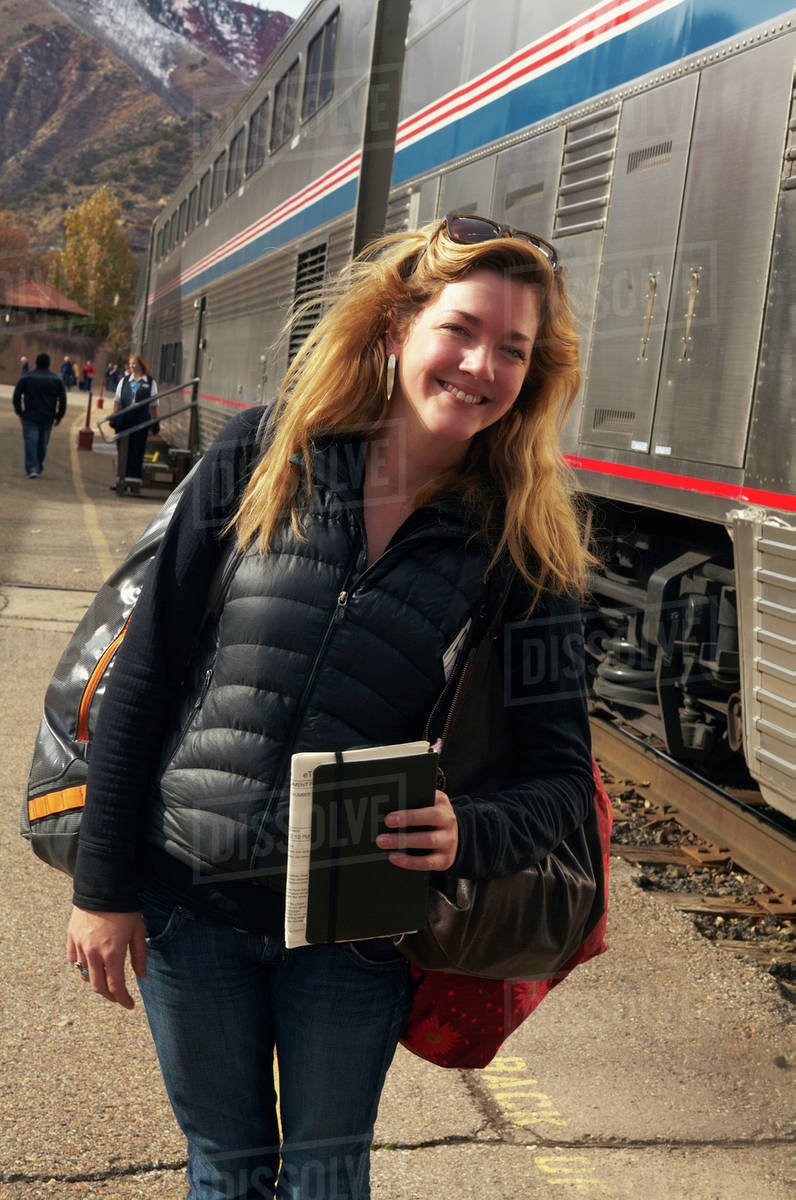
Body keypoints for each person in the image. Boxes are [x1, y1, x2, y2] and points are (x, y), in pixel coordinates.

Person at [66, 215, 595, 1199]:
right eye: (462, 329)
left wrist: (465, 831)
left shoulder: (523, 550)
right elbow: (146, 675)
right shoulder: (263, 450)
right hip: (191, 899)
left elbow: (563, 783)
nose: (482, 366)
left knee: (323, 1177)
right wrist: (105, 886)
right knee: (224, 1170)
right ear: (397, 326)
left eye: (512, 350)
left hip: (352, 931)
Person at [13, 351, 67, 478]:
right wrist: (59, 416)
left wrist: (19, 412)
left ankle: (32, 468)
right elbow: (62, 399)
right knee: (43, 443)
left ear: (36, 363)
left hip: (30, 416)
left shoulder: (26, 377)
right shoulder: (56, 380)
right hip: (48, 417)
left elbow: (16, 396)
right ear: (49, 364)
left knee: (31, 442)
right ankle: (38, 465)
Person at [110, 354, 159, 493]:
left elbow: (154, 405)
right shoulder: (124, 381)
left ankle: (134, 484)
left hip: (141, 422)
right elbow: (117, 401)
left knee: (137, 453)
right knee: (123, 452)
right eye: (130, 363)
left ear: (141, 364)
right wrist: (115, 416)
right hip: (124, 422)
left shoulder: (150, 382)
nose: (131, 365)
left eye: (134, 363)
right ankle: (121, 481)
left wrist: (155, 422)